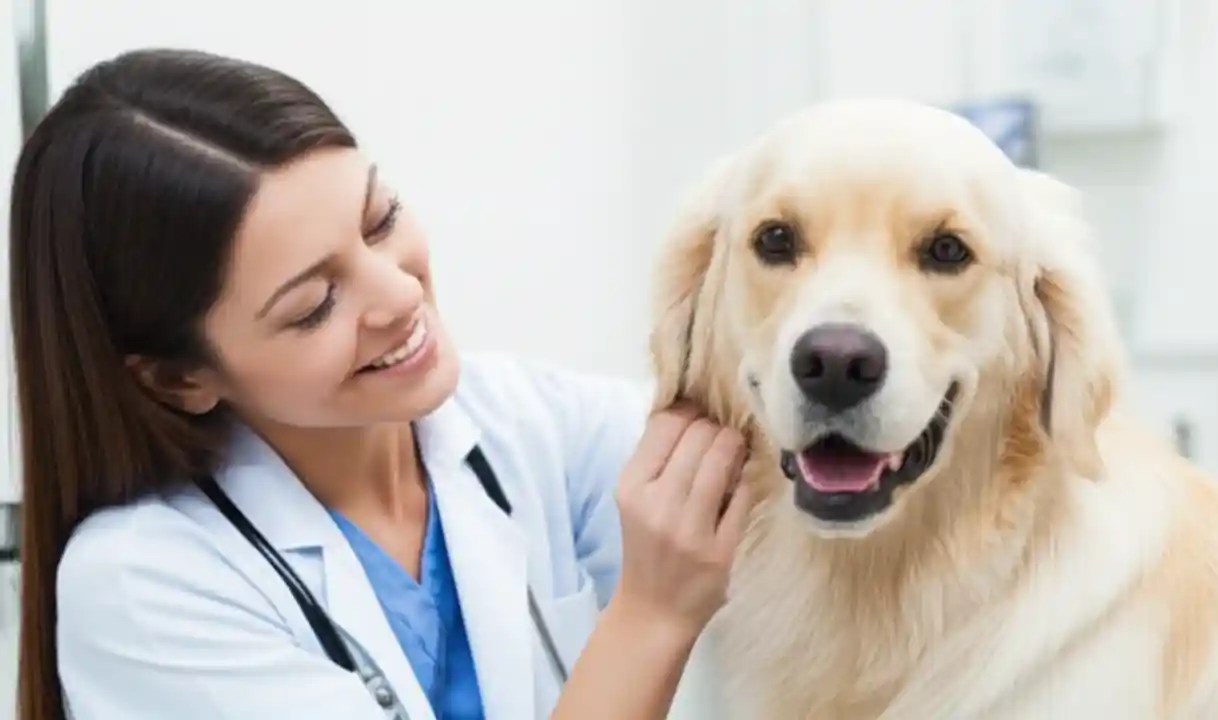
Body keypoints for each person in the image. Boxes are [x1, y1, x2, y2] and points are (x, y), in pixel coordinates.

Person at [9, 48, 750, 720]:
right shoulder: (141, 589)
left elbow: (773, 471)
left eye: (378, 219)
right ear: (180, 377)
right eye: (314, 305)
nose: (398, 294)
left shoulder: (521, 422)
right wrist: (653, 615)